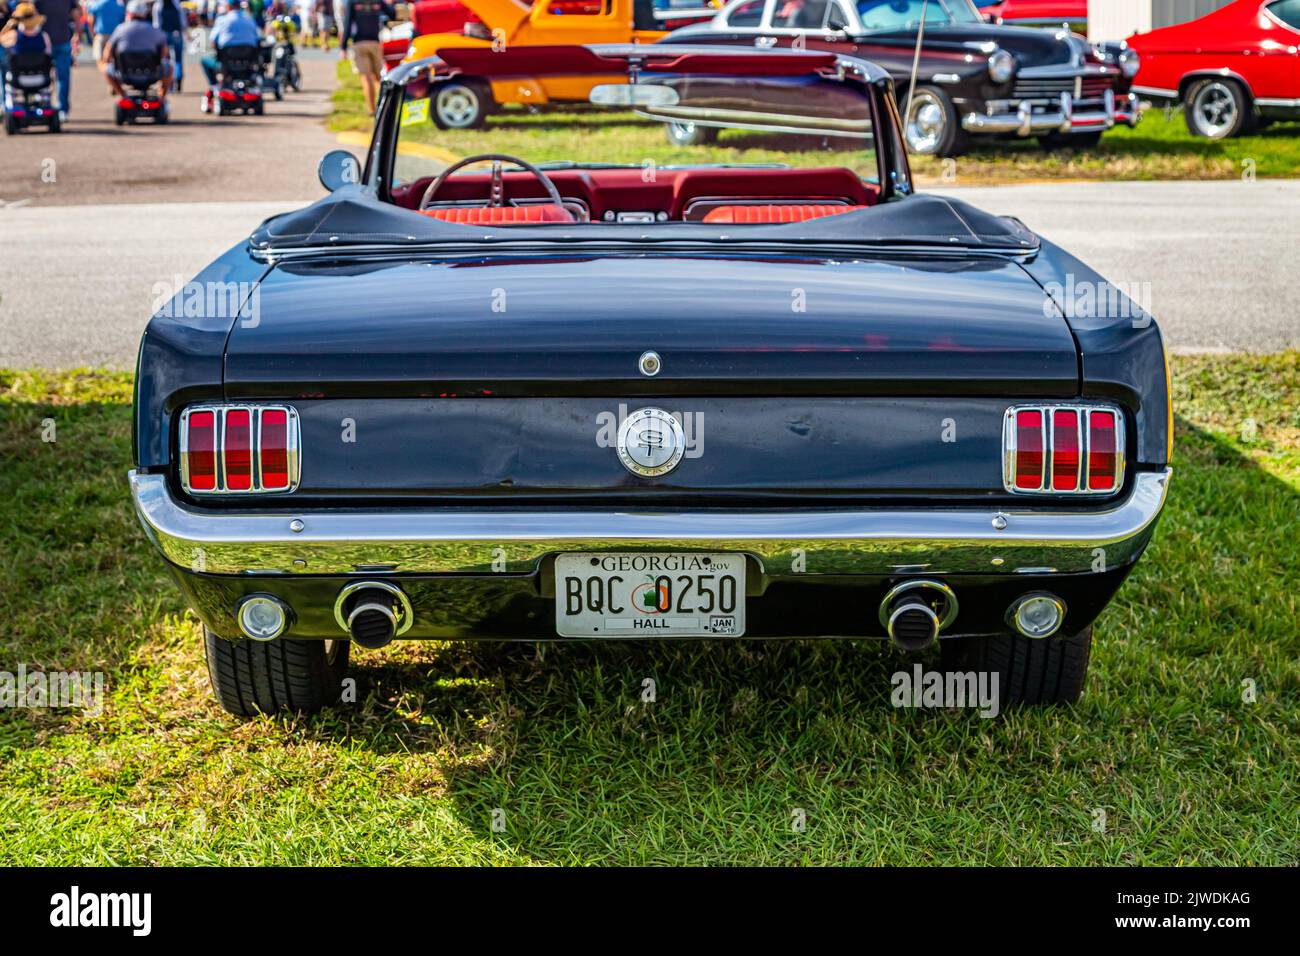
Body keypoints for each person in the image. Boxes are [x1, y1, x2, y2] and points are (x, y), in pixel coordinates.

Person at [100, 0, 171, 97]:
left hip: (125, 74)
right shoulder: (154, 30)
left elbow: (107, 51)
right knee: (170, 67)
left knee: (105, 69)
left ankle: (122, 95)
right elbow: (165, 52)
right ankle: (162, 97)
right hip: (152, 74)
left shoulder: (120, 29)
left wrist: (109, 61)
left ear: (129, 13)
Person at [339, 0, 391, 115]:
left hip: (359, 43)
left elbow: (347, 24)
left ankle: (372, 110)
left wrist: (343, 47)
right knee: (378, 77)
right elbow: (392, 14)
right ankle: (384, 107)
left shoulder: (352, 2)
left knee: (366, 78)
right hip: (374, 42)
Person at [34, 0, 79, 120]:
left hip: (44, 43)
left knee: (42, 76)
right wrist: (77, 34)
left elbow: (32, 14)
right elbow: (76, 15)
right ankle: (62, 110)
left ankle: (44, 107)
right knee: (63, 78)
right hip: (62, 41)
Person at [200, 0, 256, 85]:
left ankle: (214, 86)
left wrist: (219, 53)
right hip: (247, 59)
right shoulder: (249, 19)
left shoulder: (222, 20)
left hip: (226, 60)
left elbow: (213, 41)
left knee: (205, 61)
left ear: (228, 6)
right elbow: (257, 38)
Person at [152, 0, 185, 89]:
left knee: (165, 59)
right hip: (176, 33)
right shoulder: (177, 4)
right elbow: (183, 22)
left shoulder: (158, 5)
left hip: (164, 34)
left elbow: (157, 24)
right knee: (178, 59)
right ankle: (178, 79)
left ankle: (168, 81)